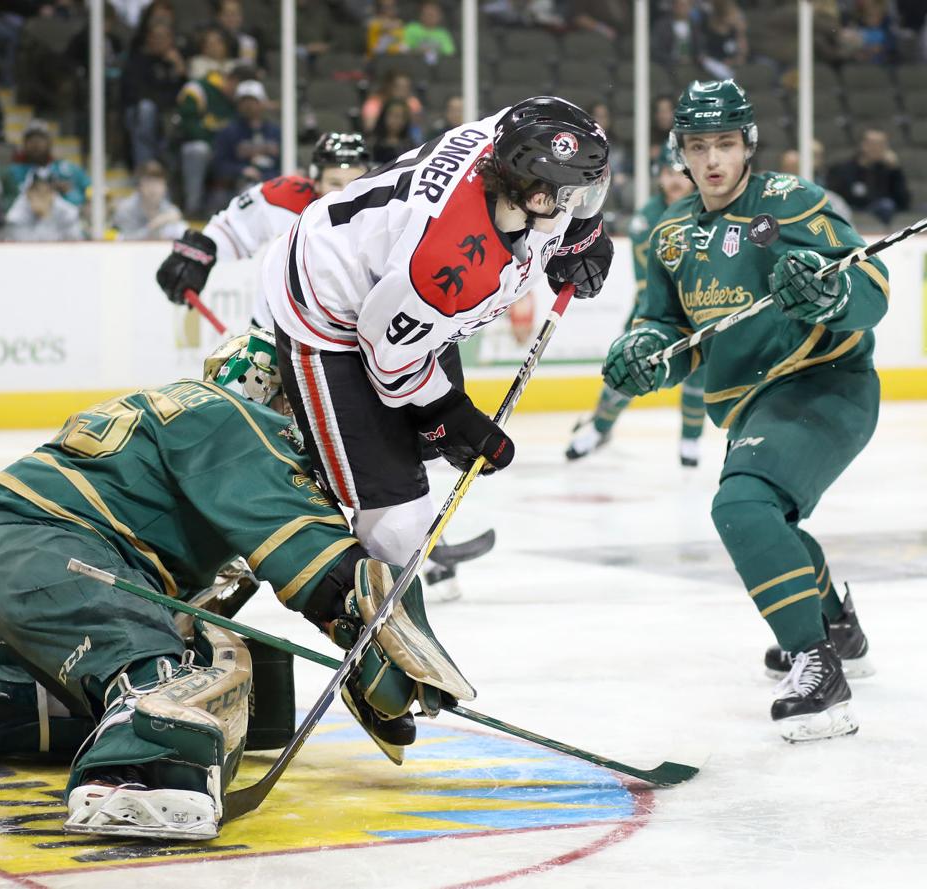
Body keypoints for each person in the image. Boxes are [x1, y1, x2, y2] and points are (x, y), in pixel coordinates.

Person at [0, 330, 472, 839]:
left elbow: (202, 592)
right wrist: (361, 628)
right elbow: (306, 551)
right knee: (161, 676)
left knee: (177, 659)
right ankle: (131, 779)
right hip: (49, 552)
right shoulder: (232, 420)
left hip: (25, 561)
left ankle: (7, 700)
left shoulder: (185, 416)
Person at [602, 79, 884, 743]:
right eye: (698, 146)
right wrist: (647, 352)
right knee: (769, 515)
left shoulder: (792, 202)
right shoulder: (669, 236)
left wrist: (828, 293)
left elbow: (871, 285)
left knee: (743, 506)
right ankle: (836, 627)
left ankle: (818, 667)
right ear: (680, 152)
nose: (713, 160)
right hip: (752, 403)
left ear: (747, 142)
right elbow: (670, 332)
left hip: (826, 380)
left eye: (725, 143)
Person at [256, 97, 613, 590]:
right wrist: (448, 414)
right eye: (572, 197)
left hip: (397, 290)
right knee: (399, 524)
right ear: (534, 197)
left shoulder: (512, 142)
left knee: (417, 453)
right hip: (329, 312)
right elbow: (389, 359)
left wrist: (582, 234)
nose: (580, 207)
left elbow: (542, 145)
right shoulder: (447, 265)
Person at [567, 144, 700, 465]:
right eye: (669, 174)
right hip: (653, 310)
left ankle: (691, 441)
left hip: (700, 309)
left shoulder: (708, 211)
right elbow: (648, 281)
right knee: (628, 365)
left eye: (681, 174)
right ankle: (600, 429)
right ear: (660, 177)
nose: (675, 181)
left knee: (700, 376)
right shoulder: (647, 219)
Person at [157, 132, 370, 327]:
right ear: (315, 181)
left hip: (353, 340)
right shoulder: (284, 198)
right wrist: (197, 256)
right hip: (274, 335)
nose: (344, 194)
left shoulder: (385, 213)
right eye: (334, 183)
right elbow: (232, 230)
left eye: (354, 182)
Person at [175, 66, 241, 216]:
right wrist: (217, 144)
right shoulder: (199, 89)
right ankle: (193, 207)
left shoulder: (240, 103)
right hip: (205, 150)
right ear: (231, 80)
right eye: (236, 85)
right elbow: (189, 128)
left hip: (228, 157)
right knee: (197, 149)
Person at [122, 19, 187, 169]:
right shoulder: (138, 60)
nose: (160, 41)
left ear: (171, 40)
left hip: (170, 111)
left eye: (164, 37)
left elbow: (186, 92)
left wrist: (181, 69)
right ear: (148, 39)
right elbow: (137, 92)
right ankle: (145, 167)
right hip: (144, 111)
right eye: (156, 37)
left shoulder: (175, 61)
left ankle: (167, 175)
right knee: (146, 109)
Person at [825, 129, 910, 226]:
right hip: (851, 212)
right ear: (863, 145)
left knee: (886, 205)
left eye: (882, 145)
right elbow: (836, 199)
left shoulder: (889, 170)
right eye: (874, 144)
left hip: (883, 214)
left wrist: (896, 170)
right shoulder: (843, 169)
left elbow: (904, 202)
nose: (878, 148)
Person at [212, 79, 281, 192]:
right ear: (237, 104)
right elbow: (219, 165)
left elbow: (290, 161)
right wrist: (242, 170)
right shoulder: (228, 132)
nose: (248, 105)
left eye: (253, 100)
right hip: (239, 186)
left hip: (274, 184)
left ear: (262, 103)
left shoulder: (276, 131)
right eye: (244, 101)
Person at [9, 119, 92, 208]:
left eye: (40, 139)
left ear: (50, 143)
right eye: (31, 140)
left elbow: (91, 191)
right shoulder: (13, 172)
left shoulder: (68, 169)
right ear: (24, 144)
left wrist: (68, 192)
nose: (35, 144)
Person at [1, 167, 84, 242]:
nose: (41, 197)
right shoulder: (17, 213)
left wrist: (45, 216)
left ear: (53, 194)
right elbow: (26, 247)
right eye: (37, 191)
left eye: (47, 191)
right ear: (28, 193)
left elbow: (76, 243)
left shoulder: (67, 213)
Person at [111, 160, 187, 240]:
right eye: (148, 182)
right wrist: (154, 225)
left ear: (165, 187)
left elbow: (176, 216)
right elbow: (124, 240)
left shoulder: (165, 206)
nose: (153, 188)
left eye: (158, 183)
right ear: (139, 186)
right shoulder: (126, 209)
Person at [370, 98, 419, 164]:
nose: (396, 120)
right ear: (384, 116)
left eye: (401, 116)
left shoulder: (411, 147)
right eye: (392, 115)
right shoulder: (372, 144)